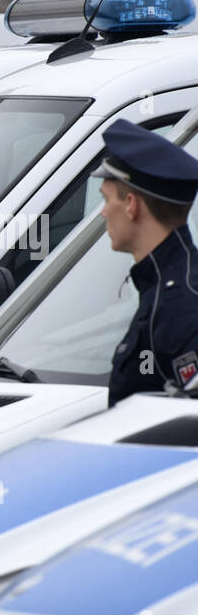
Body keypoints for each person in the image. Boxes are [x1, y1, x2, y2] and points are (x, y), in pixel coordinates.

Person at [93, 119, 198, 405]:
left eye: (106, 200)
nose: (103, 213)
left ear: (131, 205)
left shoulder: (182, 306)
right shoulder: (169, 284)